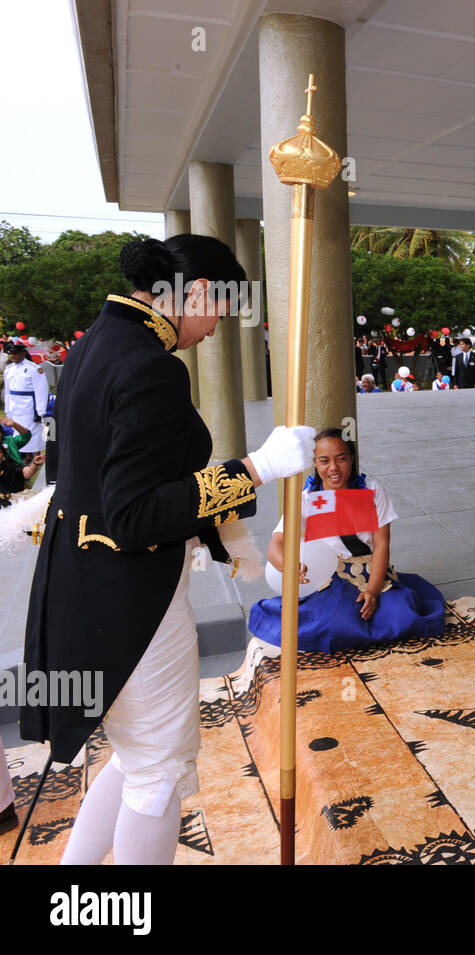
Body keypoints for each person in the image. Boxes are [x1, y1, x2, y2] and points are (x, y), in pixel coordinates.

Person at [22, 234, 315, 865]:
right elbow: (133, 516)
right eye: (220, 311)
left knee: (134, 760)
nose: (214, 331)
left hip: (81, 587)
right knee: (158, 770)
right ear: (201, 291)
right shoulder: (151, 365)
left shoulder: (95, 343)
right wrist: (256, 468)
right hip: (134, 600)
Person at [248, 427, 445, 653]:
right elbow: (276, 545)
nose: (333, 468)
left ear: (351, 458)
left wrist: (372, 590)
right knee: (334, 624)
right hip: (331, 577)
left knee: (403, 613)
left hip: (372, 572)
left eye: (341, 459)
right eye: (324, 461)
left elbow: (381, 545)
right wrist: (288, 565)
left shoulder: (373, 491)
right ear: (314, 462)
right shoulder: (306, 500)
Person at [4, 341, 49, 461]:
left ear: (23, 353)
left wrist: (40, 410)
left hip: (29, 404)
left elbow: (41, 390)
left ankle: (35, 455)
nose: (13, 356)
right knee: (18, 429)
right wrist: (7, 408)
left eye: (15, 353)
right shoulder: (9, 369)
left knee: (33, 430)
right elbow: (8, 390)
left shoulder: (34, 368)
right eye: (11, 354)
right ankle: (26, 455)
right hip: (15, 404)